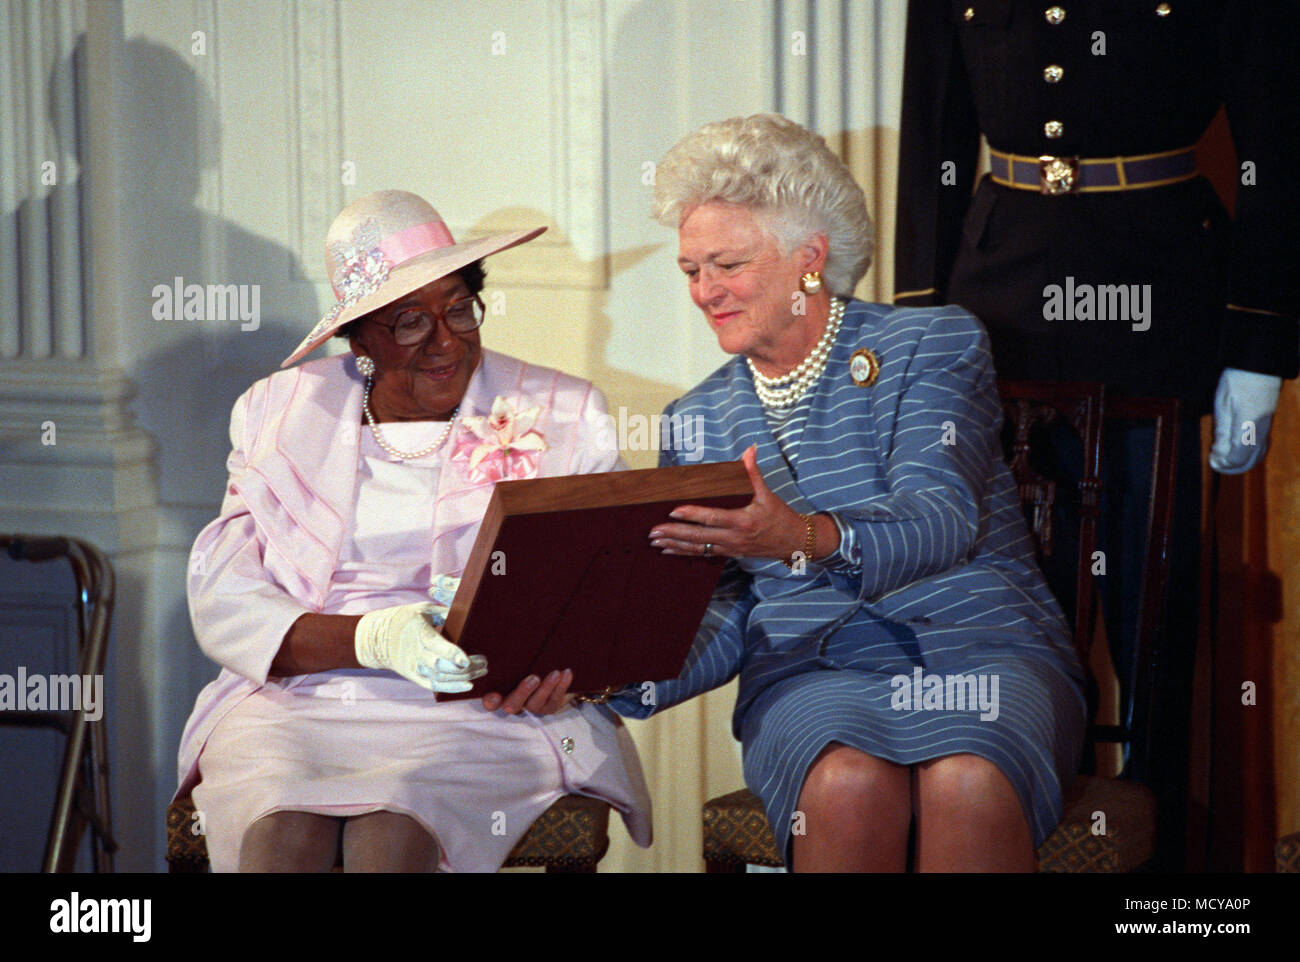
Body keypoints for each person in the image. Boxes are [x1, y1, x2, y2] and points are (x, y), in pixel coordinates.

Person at [607, 114, 1085, 871]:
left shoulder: (933, 345)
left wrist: (800, 539)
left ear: (809, 260)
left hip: (981, 647)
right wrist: (610, 673)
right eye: (691, 270)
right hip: (814, 669)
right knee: (845, 786)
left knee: (967, 782)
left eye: (726, 264)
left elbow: (942, 519)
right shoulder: (694, 421)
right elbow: (726, 608)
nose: (704, 292)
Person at [892, 1, 1300, 870]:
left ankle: (1160, 884)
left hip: (1158, 296)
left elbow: (1278, 142)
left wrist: (1259, 343)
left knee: (1156, 632)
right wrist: (917, 328)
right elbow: (934, 132)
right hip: (995, 307)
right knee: (1006, 619)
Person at [174, 189, 651, 872]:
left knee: (394, 824)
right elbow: (225, 600)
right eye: (408, 322)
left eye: (459, 307)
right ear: (358, 335)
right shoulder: (280, 411)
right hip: (298, 703)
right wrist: (374, 638)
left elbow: (618, 593)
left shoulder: (564, 412)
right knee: (280, 829)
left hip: (478, 711)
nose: (447, 340)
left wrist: (568, 672)